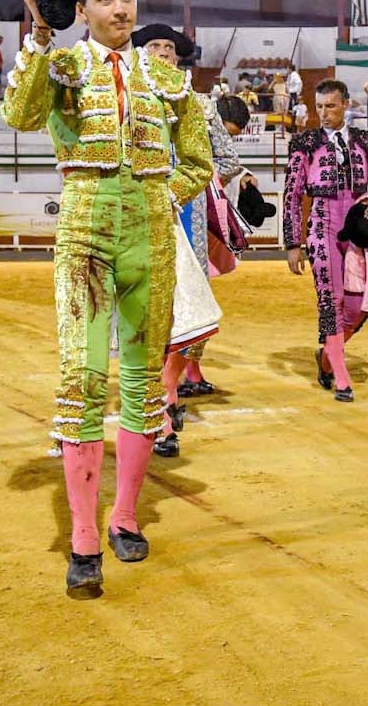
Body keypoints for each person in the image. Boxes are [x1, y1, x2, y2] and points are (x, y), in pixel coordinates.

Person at [2, 0, 212, 595]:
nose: (120, 9)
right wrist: (38, 27)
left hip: (148, 238)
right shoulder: (61, 65)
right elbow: (20, 115)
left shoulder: (164, 72)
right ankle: (84, 535)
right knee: (84, 377)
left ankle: (123, 516)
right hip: (86, 233)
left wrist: (156, 194)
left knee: (146, 381)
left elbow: (199, 159)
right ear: (83, 8)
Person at [133, 24, 241, 457]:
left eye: (169, 48)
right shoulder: (128, 96)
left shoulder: (200, 104)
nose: (162, 53)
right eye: (154, 46)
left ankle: (167, 395)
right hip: (138, 216)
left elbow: (227, 160)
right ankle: (162, 404)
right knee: (145, 313)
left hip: (186, 219)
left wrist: (198, 186)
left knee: (187, 313)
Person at [283, 79, 368, 403]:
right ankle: (342, 378)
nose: (324, 113)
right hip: (323, 223)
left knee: (359, 305)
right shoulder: (305, 142)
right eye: (319, 107)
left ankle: (328, 357)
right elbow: (292, 194)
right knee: (331, 300)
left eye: (330, 106)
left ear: (345, 104)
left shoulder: (365, 141)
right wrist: (293, 243)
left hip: (357, 225)